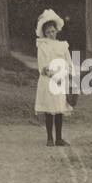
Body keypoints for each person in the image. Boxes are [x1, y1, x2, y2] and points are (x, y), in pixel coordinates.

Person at [34, 9, 75, 146]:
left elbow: (68, 63)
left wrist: (67, 76)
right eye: (48, 32)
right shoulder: (42, 46)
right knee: (49, 109)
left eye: (53, 31)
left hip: (61, 80)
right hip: (48, 80)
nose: (51, 34)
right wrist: (54, 76)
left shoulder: (63, 45)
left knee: (59, 109)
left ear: (57, 30)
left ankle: (58, 138)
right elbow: (43, 67)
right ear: (44, 33)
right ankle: (49, 138)